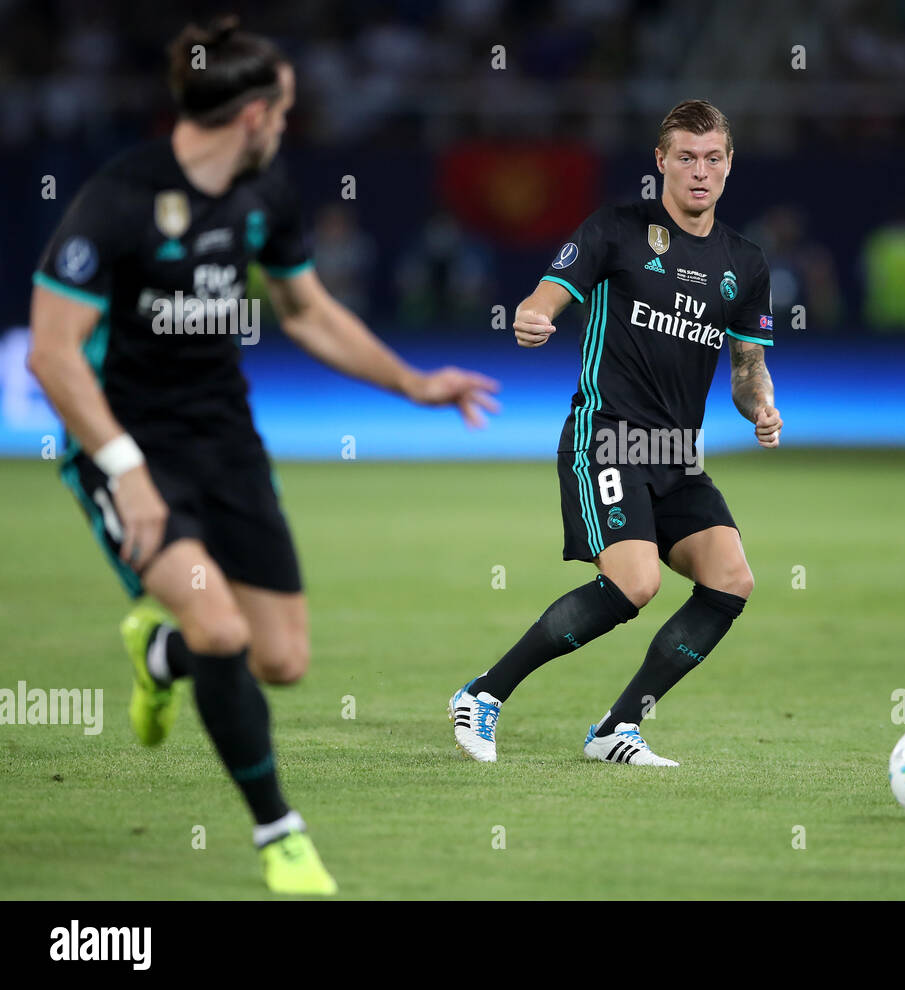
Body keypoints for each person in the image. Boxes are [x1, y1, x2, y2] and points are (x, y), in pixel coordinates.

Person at [27, 17, 499, 894]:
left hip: (227, 444)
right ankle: (281, 835)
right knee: (222, 627)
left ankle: (159, 656)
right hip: (125, 449)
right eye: (282, 110)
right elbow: (53, 354)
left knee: (280, 660)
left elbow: (308, 311)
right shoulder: (119, 198)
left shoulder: (262, 196)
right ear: (251, 116)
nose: (287, 126)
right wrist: (125, 472)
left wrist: (412, 382)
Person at [450, 99, 780, 766]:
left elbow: (749, 368)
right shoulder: (615, 231)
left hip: (677, 457)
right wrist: (532, 318)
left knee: (730, 580)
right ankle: (483, 694)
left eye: (713, 159)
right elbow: (546, 295)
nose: (700, 172)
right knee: (635, 584)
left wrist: (762, 407)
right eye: (686, 157)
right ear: (661, 161)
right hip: (608, 436)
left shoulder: (744, 264)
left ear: (729, 165)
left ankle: (617, 727)